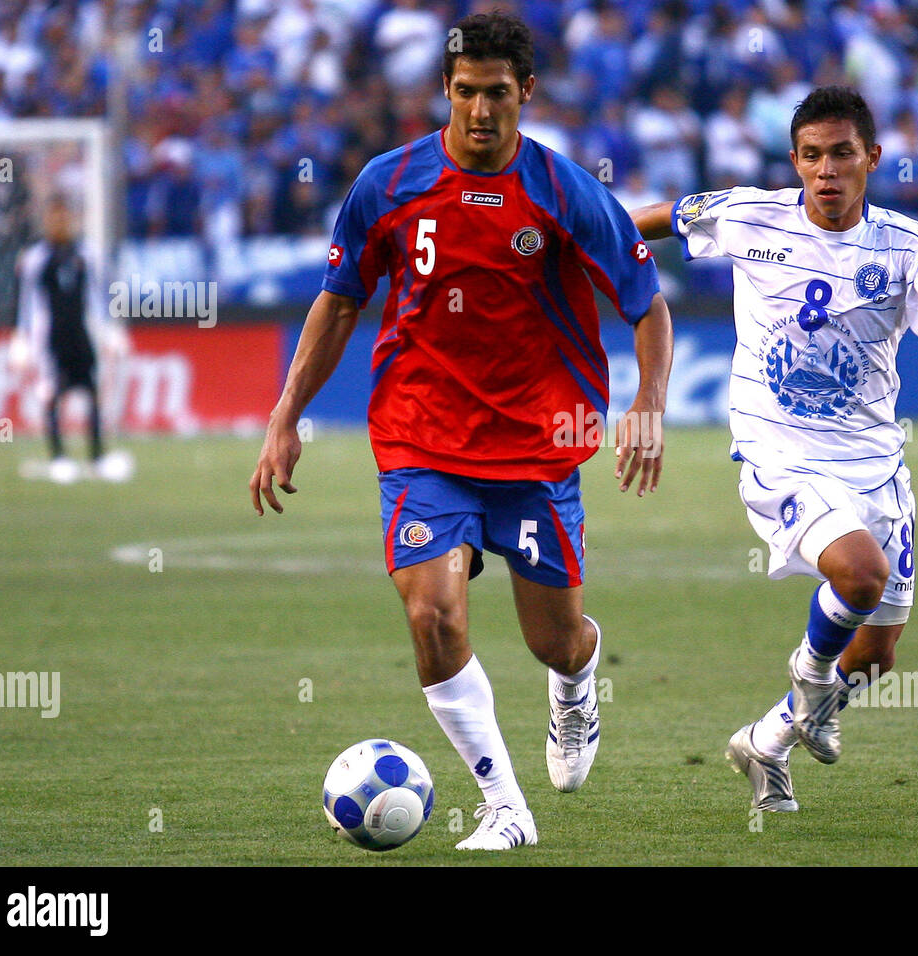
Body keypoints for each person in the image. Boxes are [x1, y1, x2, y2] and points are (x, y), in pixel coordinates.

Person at [249, 11, 672, 850]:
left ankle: (578, 681)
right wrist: (284, 415)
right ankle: (506, 808)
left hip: (535, 447)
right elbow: (339, 304)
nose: (482, 112)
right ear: (445, 88)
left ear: (528, 93)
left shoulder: (565, 192)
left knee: (553, 639)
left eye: (499, 95)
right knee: (433, 618)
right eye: (468, 93)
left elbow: (647, 305)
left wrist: (648, 401)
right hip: (421, 439)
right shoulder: (389, 181)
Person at [630, 86, 918, 812]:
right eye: (813, 156)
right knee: (858, 578)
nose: (827, 171)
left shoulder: (909, 246)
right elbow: (654, 219)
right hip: (780, 447)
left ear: (873, 159)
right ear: (795, 160)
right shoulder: (747, 213)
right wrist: (574, 247)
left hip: (875, 462)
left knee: (879, 655)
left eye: (843, 155)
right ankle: (809, 675)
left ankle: (768, 740)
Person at [15, 194, 108, 482]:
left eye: (64, 216)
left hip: (81, 333)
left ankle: (97, 458)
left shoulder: (86, 254)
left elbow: (96, 296)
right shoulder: (36, 259)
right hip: (51, 338)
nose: (60, 222)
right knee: (52, 396)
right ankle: (58, 457)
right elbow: (27, 302)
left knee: (93, 393)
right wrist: (21, 337)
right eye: (54, 217)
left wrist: (107, 330)